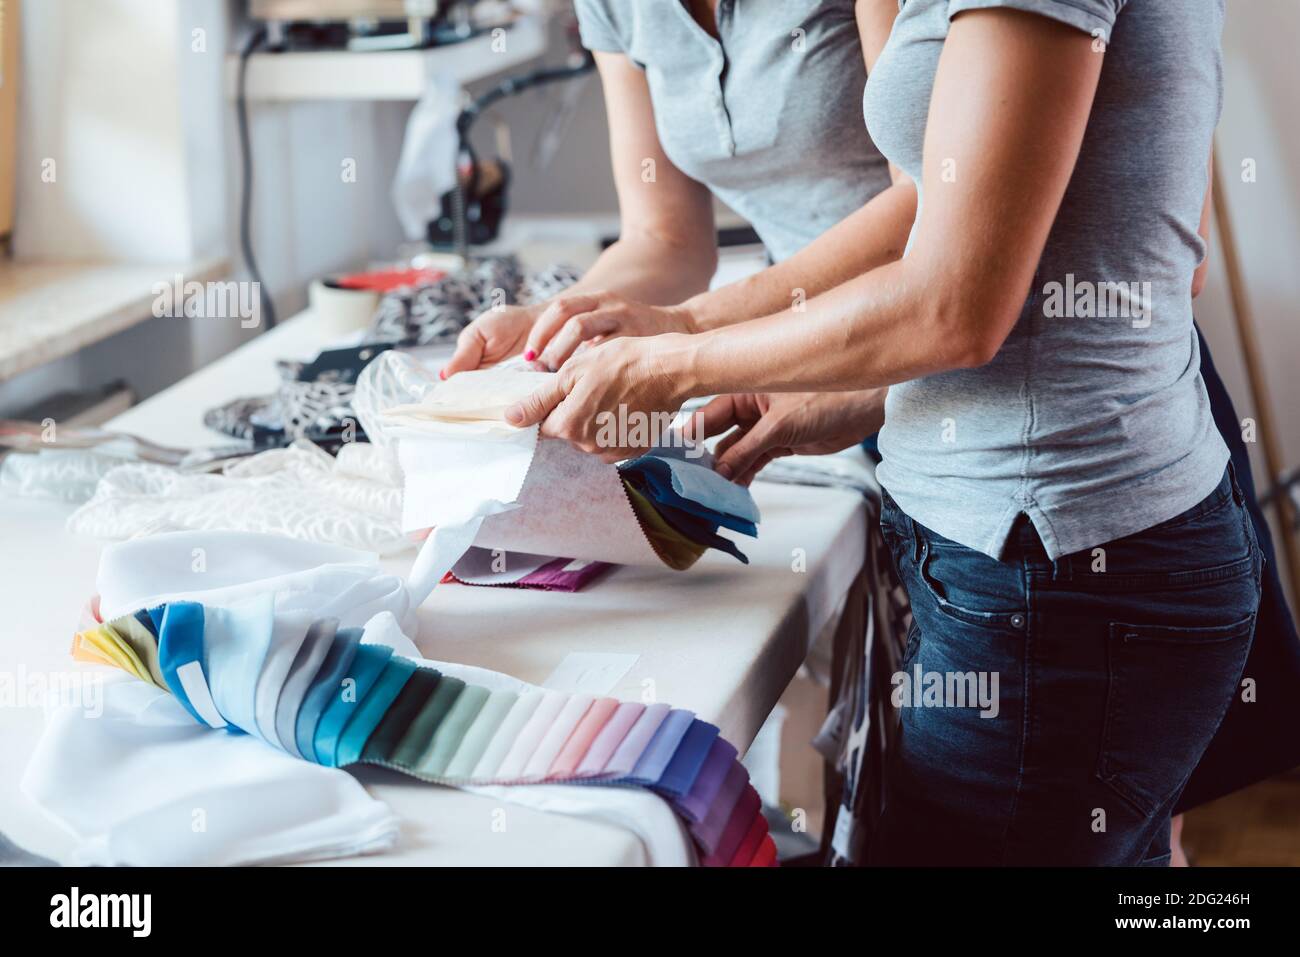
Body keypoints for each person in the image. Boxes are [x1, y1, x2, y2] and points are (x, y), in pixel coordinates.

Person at [496, 0, 1267, 865]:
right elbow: (959, 223)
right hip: (1019, 533)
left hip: (1056, 548)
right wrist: (855, 395)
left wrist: (676, 356)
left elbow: (955, 303)